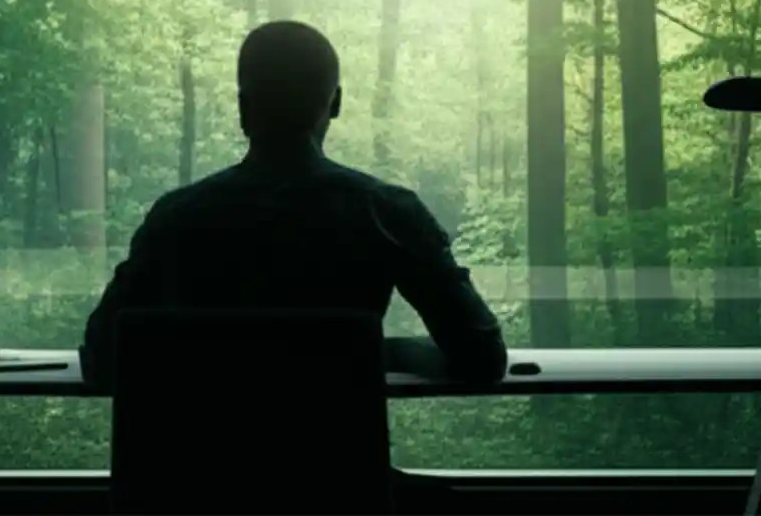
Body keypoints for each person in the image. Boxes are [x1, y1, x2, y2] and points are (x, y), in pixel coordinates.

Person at [80, 20, 506, 386]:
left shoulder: (175, 219)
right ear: (335, 103)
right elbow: (482, 356)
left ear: (244, 109)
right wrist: (372, 351)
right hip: (341, 480)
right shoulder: (387, 213)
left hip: (199, 480)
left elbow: (100, 360)